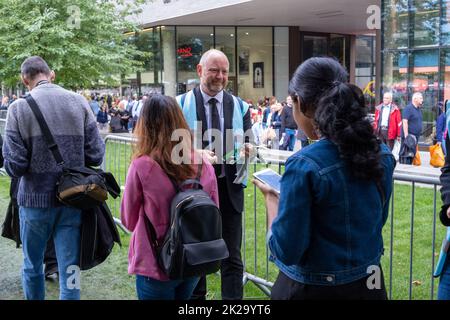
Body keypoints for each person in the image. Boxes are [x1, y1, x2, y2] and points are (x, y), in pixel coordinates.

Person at [253, 57, 395, 300]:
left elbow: (287, 250)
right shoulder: (382, 154)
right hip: (369, 285)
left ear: (300, 103)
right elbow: (375, 222)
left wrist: (272, 202)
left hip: (312, 290)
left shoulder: (304, 165)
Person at [2, 56, 105, 300]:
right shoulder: (79, 102)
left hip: (34, 202)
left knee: (32, 266)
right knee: (70, 269)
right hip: (73, 200)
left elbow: (15, 167)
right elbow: (96, 154)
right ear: (52, 74)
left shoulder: (17, 108)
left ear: (24, 79)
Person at [120, 94, 219, 300]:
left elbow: (128, 221)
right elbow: (214, 210)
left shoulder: (142, 166)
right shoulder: (204, 165)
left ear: (145, 125)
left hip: (154, 262)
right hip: (193, 258)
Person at [176, 49, 253, 300]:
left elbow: (250, 143)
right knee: (196, 252)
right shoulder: (179, 105)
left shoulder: (241, 107)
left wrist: (250, 149)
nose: (220, 76)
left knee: (232, 256)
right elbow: (169, 149)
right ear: (199, 70)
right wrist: (193, 153)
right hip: (193, 191)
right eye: (214, 70)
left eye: (224, 71)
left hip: (230, 191)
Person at [400, 92, 423, 164]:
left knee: (412, 154)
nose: (422, 100)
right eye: (421, 98)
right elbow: (404, 121)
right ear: (415, 99)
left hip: (415, 136)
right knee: (406, 154)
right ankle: (403, 168)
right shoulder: (408, 108)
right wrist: (406, 136)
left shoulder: (418, 109)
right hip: (409, 136)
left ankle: (408, 166)